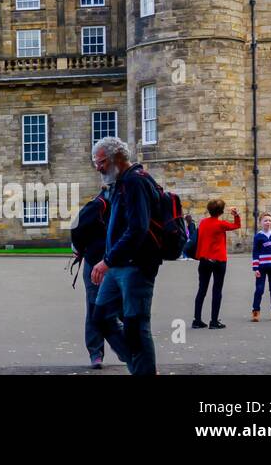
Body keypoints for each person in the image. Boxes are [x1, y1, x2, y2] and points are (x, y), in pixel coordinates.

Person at [90, 136, 160, 376]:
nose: (97, 167)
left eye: (100, 162)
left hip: (136, 267)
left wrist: (107, 260)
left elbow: (138, 228)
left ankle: (143, 370)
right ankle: (138, 365)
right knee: (100, 318)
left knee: (137, 326)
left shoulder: (135, 182)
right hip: (119, 266)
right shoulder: (121, 182)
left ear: (116, 158)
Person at [70, 182, 128, 370]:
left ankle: (122, 348)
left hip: (118, 264)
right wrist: (84, 251)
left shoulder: (124, 205)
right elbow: (76, 229)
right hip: (96, 263)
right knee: (95, 308)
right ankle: (96, 353)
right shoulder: (98, 205)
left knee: (121, 308)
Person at [193, 199, 240, 329]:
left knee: (202, 289)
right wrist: (236, 215)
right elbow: (237, 225)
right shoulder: (221, 224)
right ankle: (214, 321)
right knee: (217, 290)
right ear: (221, 211)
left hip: (204, 259)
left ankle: (197, 319)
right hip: (218, 260)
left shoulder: (202, 222)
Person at [250, 213, 271, 321]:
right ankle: (256, 311)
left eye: (269, 220)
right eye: (265, 220)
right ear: (260, 223)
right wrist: (256, 268)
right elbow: (255, 252)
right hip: (261, 267)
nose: (268, 222)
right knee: (259, 289)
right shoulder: (258, 236)